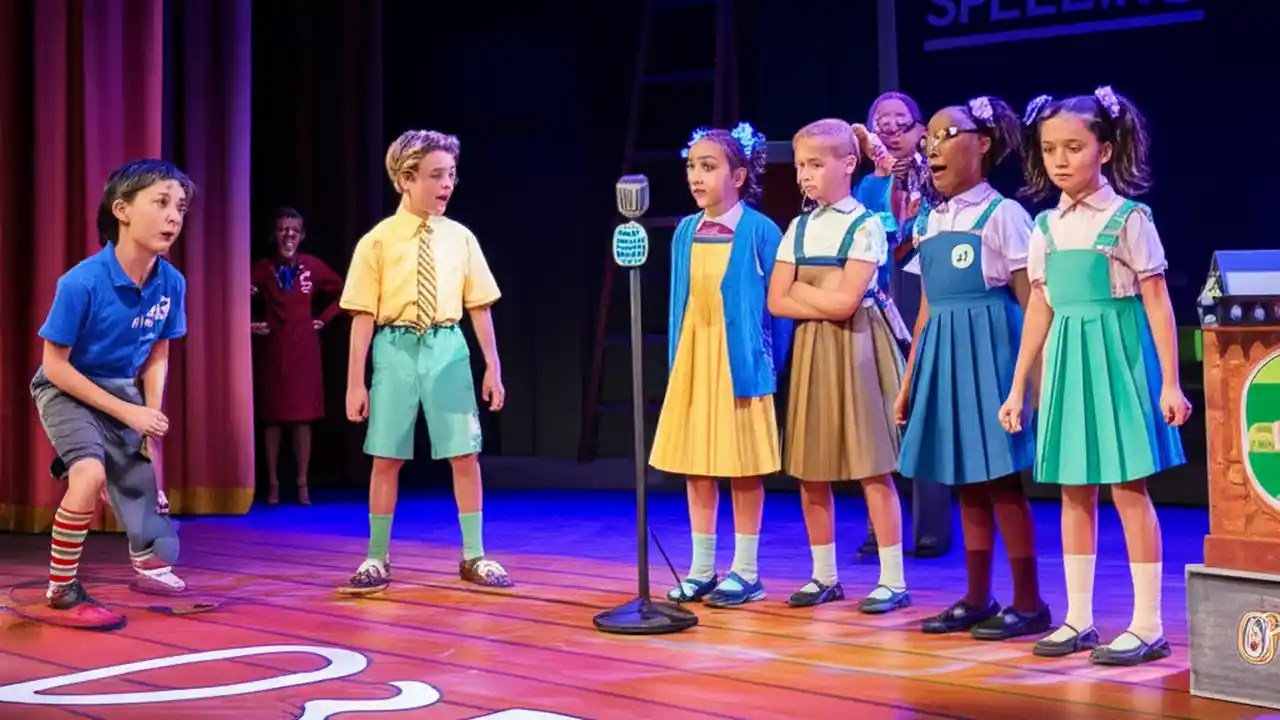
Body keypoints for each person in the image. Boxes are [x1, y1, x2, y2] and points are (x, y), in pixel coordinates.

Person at [1000, 86, 1190, 665]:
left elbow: (1157, 301)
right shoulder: (1045, 227)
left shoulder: (1129, 218)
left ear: (1103, 150)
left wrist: (1170, 381)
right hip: (1067, 361)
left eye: (1074, 147)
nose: (1060, 159)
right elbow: (1040, 305)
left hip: (1118, 358)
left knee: (1128, 488)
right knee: (1072, 492)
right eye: (1050, 148)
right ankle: (1079, 617)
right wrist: (1018, 385)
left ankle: (1148, 623)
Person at [898, 96, 1050, 640]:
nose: (932, 146)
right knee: (967, 482)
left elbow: (1032, 298)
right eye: (929, 137)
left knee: (1001, 480)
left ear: (981, 143)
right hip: (945, 354)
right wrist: (909, 381)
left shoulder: (1003, 215)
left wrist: (1031, 384)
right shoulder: (930, 222)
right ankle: (978, 596)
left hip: (992, 353)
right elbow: (925, 309)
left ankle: (1030, 602)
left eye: (946, 134)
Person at [337, 129, 511, 595]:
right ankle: (376, 557)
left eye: (451, 175)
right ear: (404, 179)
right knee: (387, 455)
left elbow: (479, 305)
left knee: (464, 452)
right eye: (435, 176)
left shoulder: (460, 237)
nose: (446, 185)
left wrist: (492, 366)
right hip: (395, 348)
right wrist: (355, 383)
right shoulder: (377, 242)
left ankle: (474, 553)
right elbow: (361, 316)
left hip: (447, 347)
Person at [32, 159, 194, 623]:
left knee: (162, 538)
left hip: (123, 392)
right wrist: (127, 415)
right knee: (88, 476)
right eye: (161, 203)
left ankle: (146, 559)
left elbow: (158, 353)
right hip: (68, 386)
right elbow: (54, 366)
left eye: (180, 207)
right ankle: (61, 588)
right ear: (122, 210)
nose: (173, 217)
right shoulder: (81, 282)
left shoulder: (172, 283)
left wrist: (149, 423)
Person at [767, 119, 909, 613]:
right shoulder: (798, 228)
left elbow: (848, 303)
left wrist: (804, 291)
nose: (805, 175)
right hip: (812, 351)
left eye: (816, 164)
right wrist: (816, 296)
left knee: (872, 466)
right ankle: (823, 575)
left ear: (848, 164)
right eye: (801, 165)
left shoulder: (864, 224)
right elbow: (776, 301)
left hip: (858, 348)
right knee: (811, 468)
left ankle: (892, 579)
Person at [651, 122, 791, 608]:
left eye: (708, 167)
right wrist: (679, 361)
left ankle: (747, 571)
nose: (696, 176)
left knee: (742, 467)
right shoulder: (686, 231)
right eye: (691, 167)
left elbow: (780, 309)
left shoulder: (761, 231)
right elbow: (679, 302)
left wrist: (764, 361)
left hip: (740, 364)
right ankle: (702, 568)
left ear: (738, 175)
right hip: (695, 356)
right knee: (697, 466)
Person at [856, 91, 952, 561]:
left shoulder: (937, 174)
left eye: (900, 121)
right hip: (879, 296)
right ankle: (883, 527)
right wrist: (879, 183)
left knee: (925, 404)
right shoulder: (865, 184)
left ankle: (932, 526)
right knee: (879, 411)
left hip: (926, 290)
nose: (891, 128)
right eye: (881, 121)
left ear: (919, 129)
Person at [250, 206, 344, 505]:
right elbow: (233, 293)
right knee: (272, 418)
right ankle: (275, 484)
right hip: (274, 347)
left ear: (301, 235)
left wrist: (324, 319)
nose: (288, 235)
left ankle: (302, 483)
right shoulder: (263, 267)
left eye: (294, 230)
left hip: (303, 346)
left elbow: (344, 290)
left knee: (303, 417)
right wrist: (248, 325)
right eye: (282, 229)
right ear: (274, 234)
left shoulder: (311, 266)